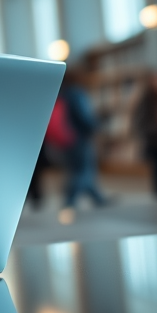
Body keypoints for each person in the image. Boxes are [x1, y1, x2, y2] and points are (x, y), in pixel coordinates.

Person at [58, 69, 108, 210]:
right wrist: (96, 126)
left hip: (67, 138)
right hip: (80, 138)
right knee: (83, 171)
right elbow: (84, 117)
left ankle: (97, 197)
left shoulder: (63, 93)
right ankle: (69, 201)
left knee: (79, 169)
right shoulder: (77, 93)